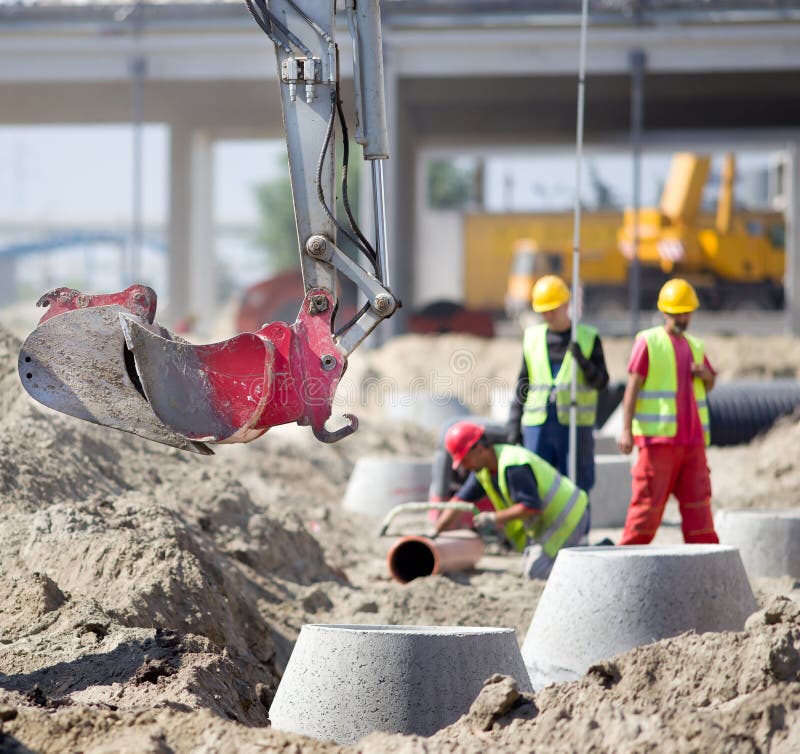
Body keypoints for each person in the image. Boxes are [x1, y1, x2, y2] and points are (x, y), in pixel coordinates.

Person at [617, 278, 719, 545]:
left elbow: (709, 384)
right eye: (678, 314)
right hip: (658, 443)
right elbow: (632, 388)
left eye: (687, 313)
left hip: (692, 443)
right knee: (646, 509)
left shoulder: (696, 346)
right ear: (665, 312)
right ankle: (627, 559)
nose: (683, 318)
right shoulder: (648, 342)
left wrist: (706, 374)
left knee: (699, 511)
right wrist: (626, 430)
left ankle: (704, 565)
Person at [432, 420, 589, 579]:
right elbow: (459, 502)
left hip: (567, 516)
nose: (464, 466)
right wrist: (435, 531)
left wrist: (493, 518)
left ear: (479, 449)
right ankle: (599, 552)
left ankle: (593, 570)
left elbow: (530, 507)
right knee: (534, 564)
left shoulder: (513, 465)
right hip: (552, 518)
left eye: (465, 459)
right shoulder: (484, 471)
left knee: (537, 571)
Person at [507, 275, 609, 496]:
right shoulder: (532, 338)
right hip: (538, 426)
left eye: (553, 309)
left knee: (577, 486)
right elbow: (522, 383)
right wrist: (514, 425)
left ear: (566, 305)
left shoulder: (587, 337)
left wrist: (582, 361)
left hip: (575, 426)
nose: (548, 316)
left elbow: (601, 382)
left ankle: (578, 531)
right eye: (543, 311)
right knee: (538, 486)